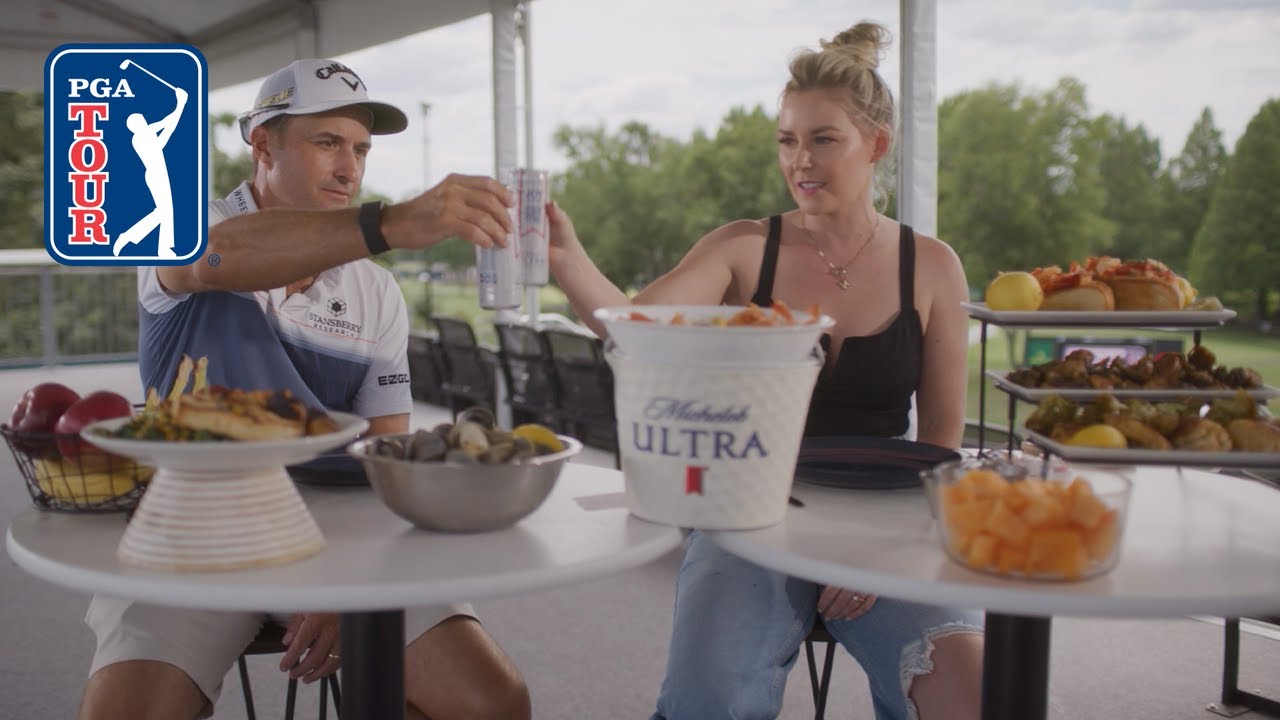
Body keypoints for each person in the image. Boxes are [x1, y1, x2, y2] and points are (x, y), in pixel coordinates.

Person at [545, 22, 983, 720]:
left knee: (972, 696)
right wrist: (565, 257)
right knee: (708, 703)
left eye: (822, 139)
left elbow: (942, 450)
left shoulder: (931, 265)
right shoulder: (746, 247)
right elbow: (631, 327)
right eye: (787, 140)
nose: (800, 160)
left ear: (877, 144)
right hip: (748, 513)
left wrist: (891, 553)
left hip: (887, 523)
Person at [78, 59, 530, 720]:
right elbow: (212, 256)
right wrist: (393, 224)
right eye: (327, 144)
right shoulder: (175, 218)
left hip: (334, 534)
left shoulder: (375, 290)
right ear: (262, 145)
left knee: (493, 703)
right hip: (190, 526)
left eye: (361, 149)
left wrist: (351, 585)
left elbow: (388, 460)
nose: (350, 169)